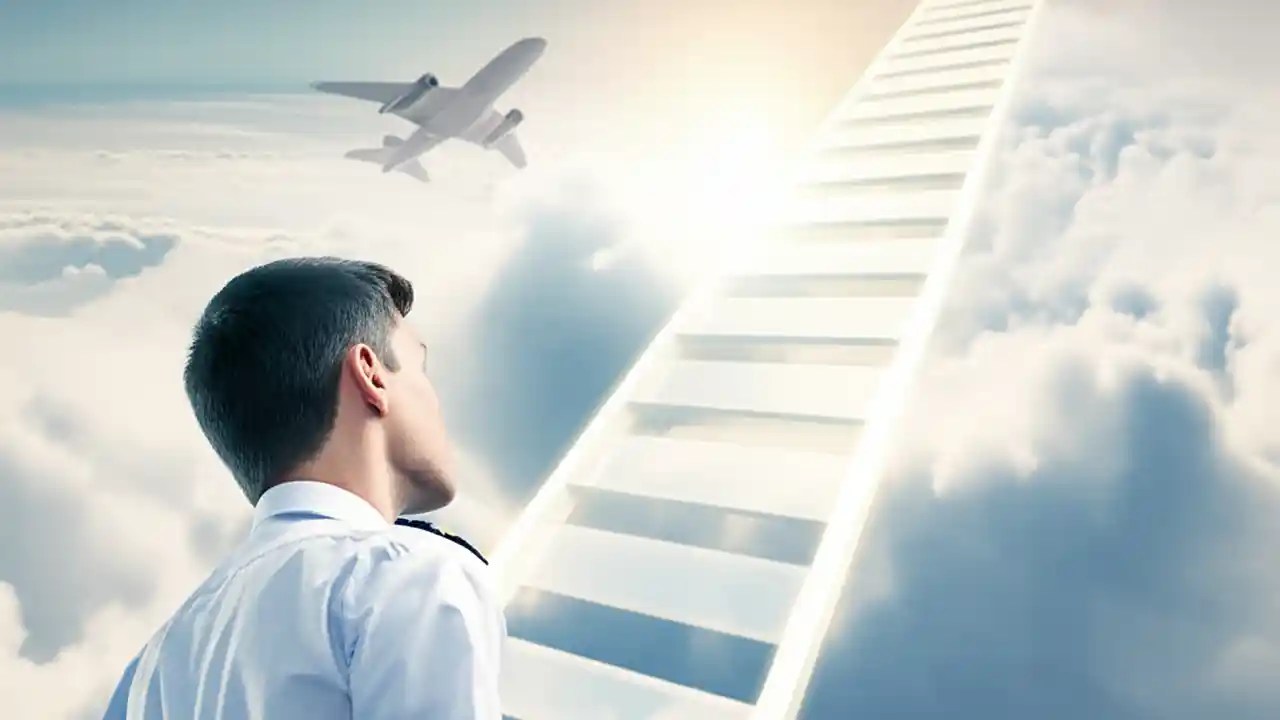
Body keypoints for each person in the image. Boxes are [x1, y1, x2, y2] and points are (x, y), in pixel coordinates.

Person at [102, 257, 506, 719]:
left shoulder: (149, 669)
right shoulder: (409, 577)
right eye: (421, 368)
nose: (434, 398)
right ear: (372, 375)